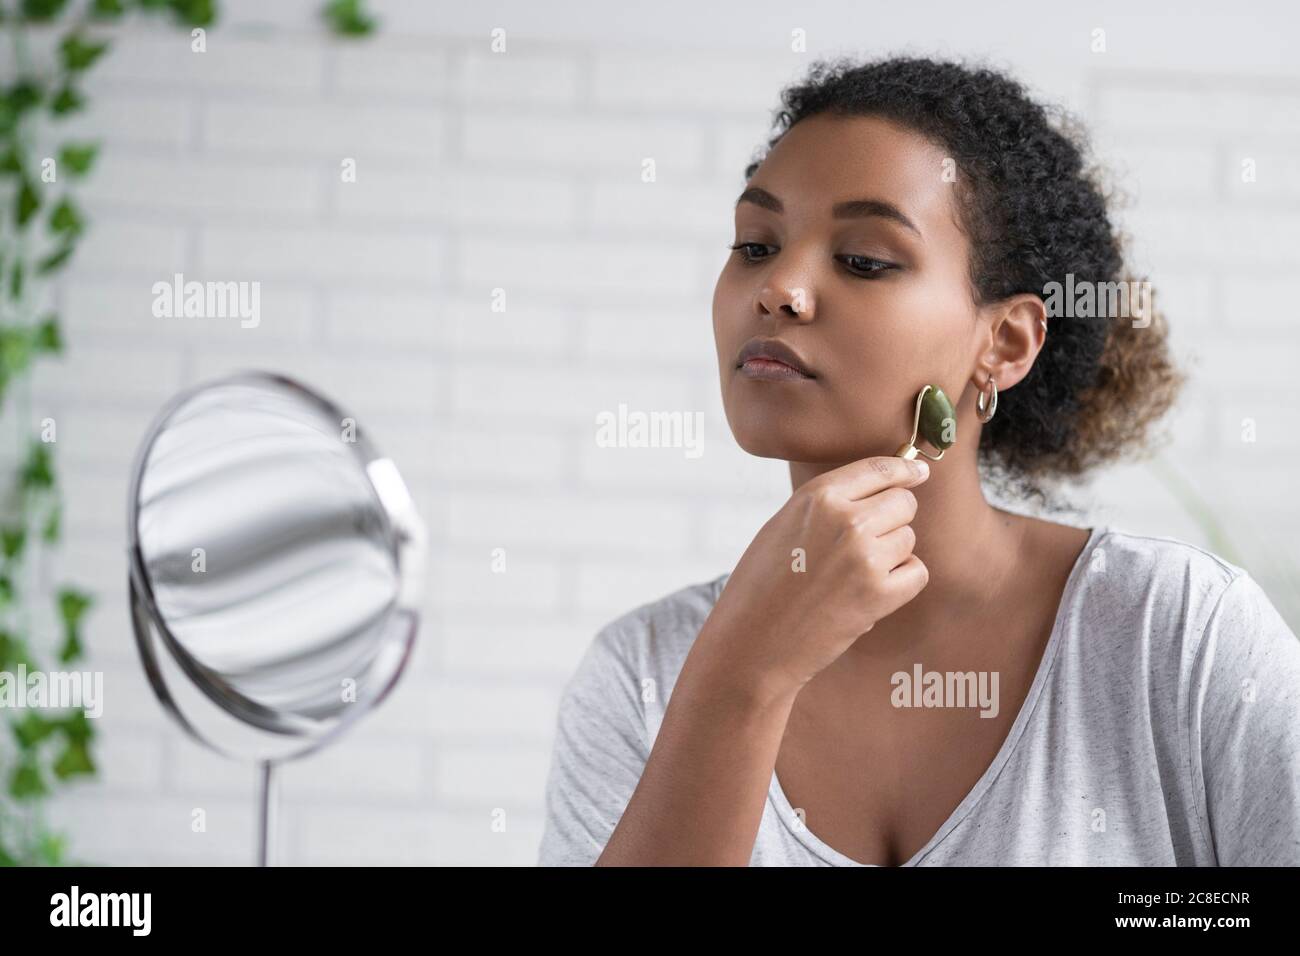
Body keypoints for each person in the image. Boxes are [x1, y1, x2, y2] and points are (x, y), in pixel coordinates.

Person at [538, 55, 1300, 866]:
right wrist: (742, 677)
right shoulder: (640, 673)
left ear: (1005, 344)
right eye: (756, 245)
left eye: (864, 260)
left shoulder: (1180, 636)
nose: (780, 290)